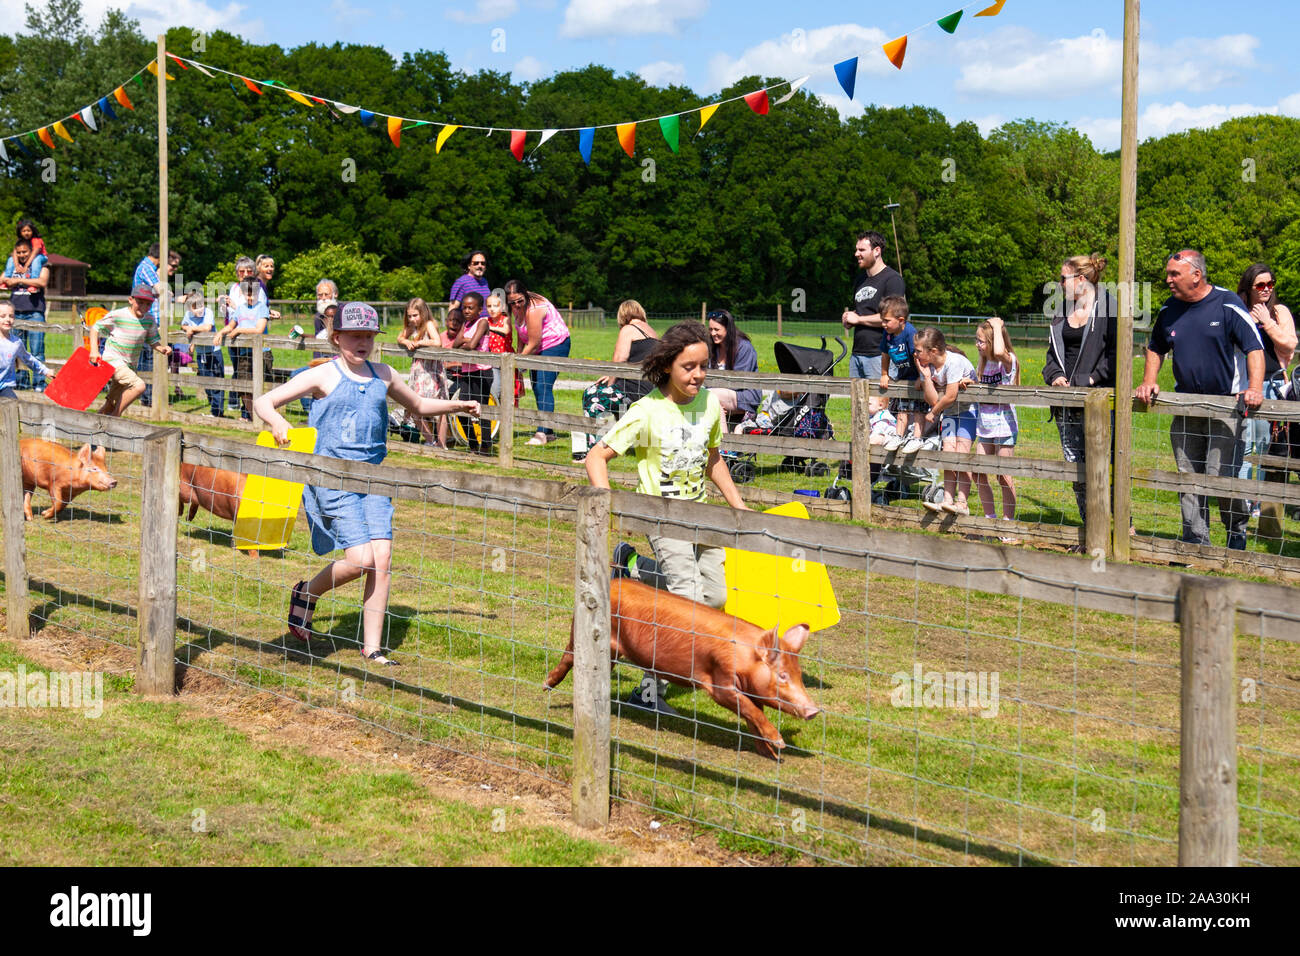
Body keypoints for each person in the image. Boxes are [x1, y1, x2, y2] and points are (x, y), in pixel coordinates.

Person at [252, 302, 479, 666]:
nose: (363, 342)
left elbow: (418, 405)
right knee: (360, 560)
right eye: (355, 335)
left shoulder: (383, 373)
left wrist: (458, 406)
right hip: (333, 478)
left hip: (375, 479)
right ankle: (306, 593)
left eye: (369, 336)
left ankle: (373, 649)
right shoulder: (322, 375)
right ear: (337, 337)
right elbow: (264, 401)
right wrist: (278, 423)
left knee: (382, 559)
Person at [585, 321, 749, 713]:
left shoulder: (709, 403)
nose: (697, 375)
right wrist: (605, 504)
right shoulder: (646, 412)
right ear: (667, 367)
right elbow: (596, 456)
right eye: (688, 367)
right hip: (660, 516)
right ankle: (647, 692)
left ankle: (635, 569)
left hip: (702, 514)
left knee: (717, 597)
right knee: (686, 602)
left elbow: (713, 458)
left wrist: (737, 506)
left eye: (703, 366)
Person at [1136, 249, 1264, 550]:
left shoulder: (1227, 303)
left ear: (1197, 275)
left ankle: (1236, 534)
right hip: (1186, 406)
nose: (1167, 279)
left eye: (1174, 274)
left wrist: (1254, 388)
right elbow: (1156, 347)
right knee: (1188, 477)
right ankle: (1196, 541)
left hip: (1226, 408)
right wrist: (1148, 380)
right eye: (1168, 273)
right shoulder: (1169, 310)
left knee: (1221, 478)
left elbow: (1254, 347)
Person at [1044, 254, 1118, 526]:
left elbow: (1117, 355)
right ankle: (1091, 525)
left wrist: (1092, 379)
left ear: (1082, 279)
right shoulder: (1061, 311)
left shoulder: (1110, 308)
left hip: (1097, 401)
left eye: (1064, 278)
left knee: (1104, 464)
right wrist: (1054, 376)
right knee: (1075, 466)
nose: (1060, 283)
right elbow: (1052, 355)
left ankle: (1121, 523)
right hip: (1066, 402)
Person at [1235, 263, 1297, 524]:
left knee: (1262, 445)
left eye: (1270, 284)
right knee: (1242, 442)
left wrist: (1267, 322)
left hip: (1271, 385)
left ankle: (1258, 500)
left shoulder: (1278, 311)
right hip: (1244, 384)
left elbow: (1290, 343)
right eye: (1260, 285)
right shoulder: (1237, 310)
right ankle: (1241, 499)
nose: (1266, 289)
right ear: (1249, 287)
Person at [573, 299, 658, 461]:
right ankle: (612, 439)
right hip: (648, 389)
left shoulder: (628, 329)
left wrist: (609, 385)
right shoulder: (651, 331)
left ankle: (590, 451)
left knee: (592, 394)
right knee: (602, 394)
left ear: (622, 315)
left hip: (633, 389)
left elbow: (619, 361)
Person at [915, 327, 976, 516]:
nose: (915, 354)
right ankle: (948, 500)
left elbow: (949, 396)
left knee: (962, 456)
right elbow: (933, 399)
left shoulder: (954, 362)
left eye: (918, 350)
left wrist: (933, 413)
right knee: (949, 455)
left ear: (932, 351)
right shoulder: (929, 366)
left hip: (968, 413)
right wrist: (925, 377)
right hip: (949, 414)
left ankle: (962, 503)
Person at [505, 279, 572, 445]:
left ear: (525, 294)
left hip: (555, 344)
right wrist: (520, 354)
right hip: (538, 347)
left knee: (542, 385)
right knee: (536, 386)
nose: (517, 305)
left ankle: (541, 434)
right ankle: (548, 431)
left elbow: (534, 342)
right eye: (512, 303)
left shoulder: (534, 308)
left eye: (520, 301)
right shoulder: (515, 309)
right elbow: (522, 334)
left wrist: (519, 362)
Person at [88, 287, 172, 417]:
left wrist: (161, 348)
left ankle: (90, 428)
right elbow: (95, 328)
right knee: (139, 386)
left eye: (148, 304)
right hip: (112, 360)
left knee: (111, 403)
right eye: (140, 302)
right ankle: (116, 416)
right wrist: (94, 351)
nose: (144, 307)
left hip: (130, 365)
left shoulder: (149, 320)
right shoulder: (118, 315)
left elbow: (152, 339)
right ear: (131, 300)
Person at [973, 316, 1019, 539]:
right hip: (985, 428)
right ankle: (990, 520)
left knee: (1004, 476)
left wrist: (998, 326)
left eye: (981, 341)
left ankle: (1008, 525)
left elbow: (1000, 352)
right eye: (977, 340)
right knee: (978, 473)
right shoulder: (982, 363)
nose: (977, 345)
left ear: (993, 341)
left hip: (1004, 427)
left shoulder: (1007, 360)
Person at [841, 230, 905, 383]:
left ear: (877, 251)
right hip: (857, 354)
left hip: (880, 356)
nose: (856, 254)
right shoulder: (860, 279)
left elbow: (892, 317)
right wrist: (850, 318)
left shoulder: (893, 279)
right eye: (856, 249)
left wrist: (859, 319)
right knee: (856, 405)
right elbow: (863, 311)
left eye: (862, 250)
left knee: (878, 405)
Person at [398, 297, 448, 447]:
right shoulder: (412, 327)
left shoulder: (429, 325)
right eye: (409, 315)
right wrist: (406, 341)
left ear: (423, 313)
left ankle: (441, 443)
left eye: (415, 315)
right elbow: (400, 337)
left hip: (432, 371)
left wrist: (420, 342)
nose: (412, 319)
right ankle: (429, 440)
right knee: (414, 406)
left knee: (440, 408)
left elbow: (437, 342)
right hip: (418, 372)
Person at [1, 237, 49, 391]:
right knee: (15, 351)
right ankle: (21, 383)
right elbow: (3, 280)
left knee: (36, 350)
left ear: (31, 252)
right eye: (19, 252)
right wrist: (12, 278)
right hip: (15, 313)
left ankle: (39, 384)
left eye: (25, 252)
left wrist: (16, 281)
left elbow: (42, 282)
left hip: (34, 311)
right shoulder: (12, 266)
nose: (22, 255)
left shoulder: (41, 265)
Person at [877, 296, 923, 452]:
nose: (883, 324)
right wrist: (884, 374)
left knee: (918, 408)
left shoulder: (910, 333)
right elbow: (885, 354)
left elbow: (918, 356)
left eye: (887, 321)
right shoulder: (888, 334)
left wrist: (922, 377)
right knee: (902, 408)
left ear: (901, 320)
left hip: (917, 377)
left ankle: (917, 438)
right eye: (882, 320)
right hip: (903, 376)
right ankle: (899, 436)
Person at [219, 278, 269, 421]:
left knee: (260, 386)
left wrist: (239, 329)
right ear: (242, 293)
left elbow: (259, 329)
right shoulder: (240, 309)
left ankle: (262, 418)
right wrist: (220, 333)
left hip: (261, 352)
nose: (250, 297)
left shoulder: (262, 308)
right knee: (243, 386)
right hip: (244, 353)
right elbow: (231, 326)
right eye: (247, 294)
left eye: (253, 293)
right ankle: (255, 418)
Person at [452, 292, 494, 455]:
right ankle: (472, 442)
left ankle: (485, 444)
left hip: (482, 372)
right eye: (464, 308)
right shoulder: (465, 324)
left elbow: (473, 345)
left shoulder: (482, 322)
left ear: (479, 309)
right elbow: (456, 344)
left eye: (471, 308)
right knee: (461, 407)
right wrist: (464, 341)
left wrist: (465, 341)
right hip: (467, 372)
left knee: (481, 409)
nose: (467, 311)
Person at [704, 309, 759, 423]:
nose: (713, 333)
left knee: (707, 397)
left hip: (744, 396)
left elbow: (738, 383)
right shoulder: (711, 347)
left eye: (716, 329)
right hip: (719, 395)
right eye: (710, 329)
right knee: (706, 400)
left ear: (728, 329)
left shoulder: (744, 348)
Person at [181, 291, 224, 416]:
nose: (199, 310)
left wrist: (191, 328)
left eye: (201, 306)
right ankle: (213, 409)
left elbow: (207, 328)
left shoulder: (208, 312)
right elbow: (183, 325)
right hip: (201, 353)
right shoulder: (188, 315)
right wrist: (187, 328)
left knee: (216, 382)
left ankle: (217, 412)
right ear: (190, 308)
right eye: (195, 307)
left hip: (213, 352)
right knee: (205, 382)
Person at [0, 301, 51, 398]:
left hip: (5, 387)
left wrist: (45, 371)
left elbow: (28, 359)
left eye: (11, 316)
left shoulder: (16, 343)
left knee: (13, 406)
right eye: (2, 316)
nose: (8, 319)